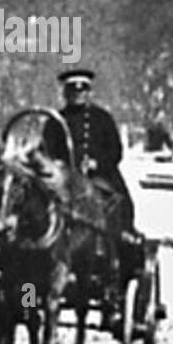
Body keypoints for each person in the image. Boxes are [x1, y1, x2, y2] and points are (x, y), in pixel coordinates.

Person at [40, 67, 135, 236]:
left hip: (100, 176)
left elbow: (116, 151)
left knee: (122, 205)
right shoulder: (55, 121)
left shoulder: (103, 118)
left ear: (88, 92)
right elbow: (46, 151)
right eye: (72, 91)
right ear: (65, 93)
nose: (77, 95)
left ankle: (125, 240)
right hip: (65, 180)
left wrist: (97, 163)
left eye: (82, 90)